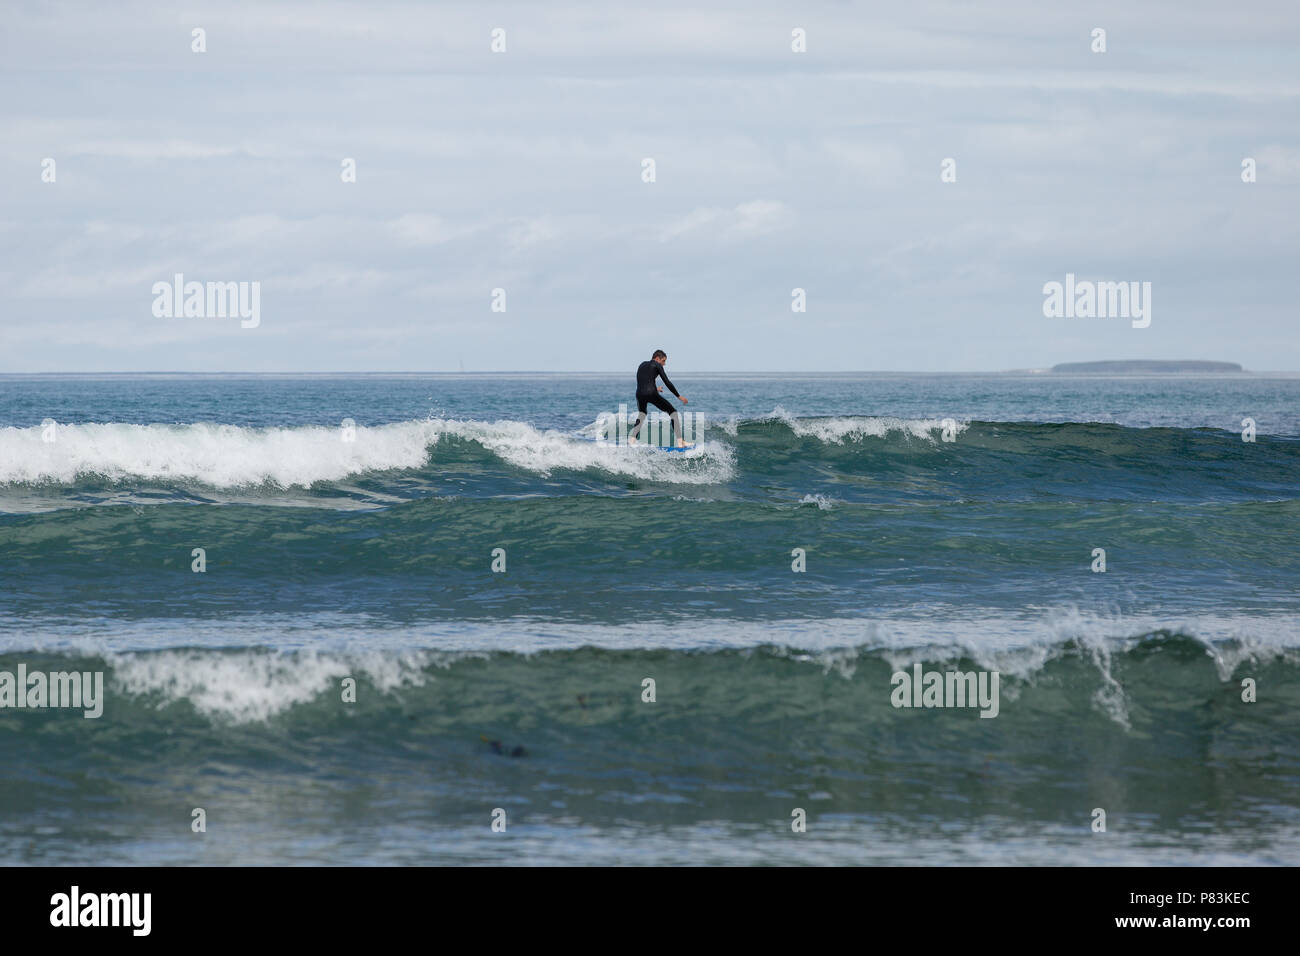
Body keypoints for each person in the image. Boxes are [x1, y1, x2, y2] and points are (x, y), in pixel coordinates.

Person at [628, 350, 688, 446]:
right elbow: (667, 382)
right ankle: (681, 442)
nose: (664, 364)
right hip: (651, 393)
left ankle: (632, 439)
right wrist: (679, 396)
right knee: (673, 413)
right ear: (657, 358)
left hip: (639, 394)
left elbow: (643, 382)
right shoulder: (656, 364)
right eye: (663, 361)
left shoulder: (642, 364)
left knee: (642, 414)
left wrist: (655, 388)